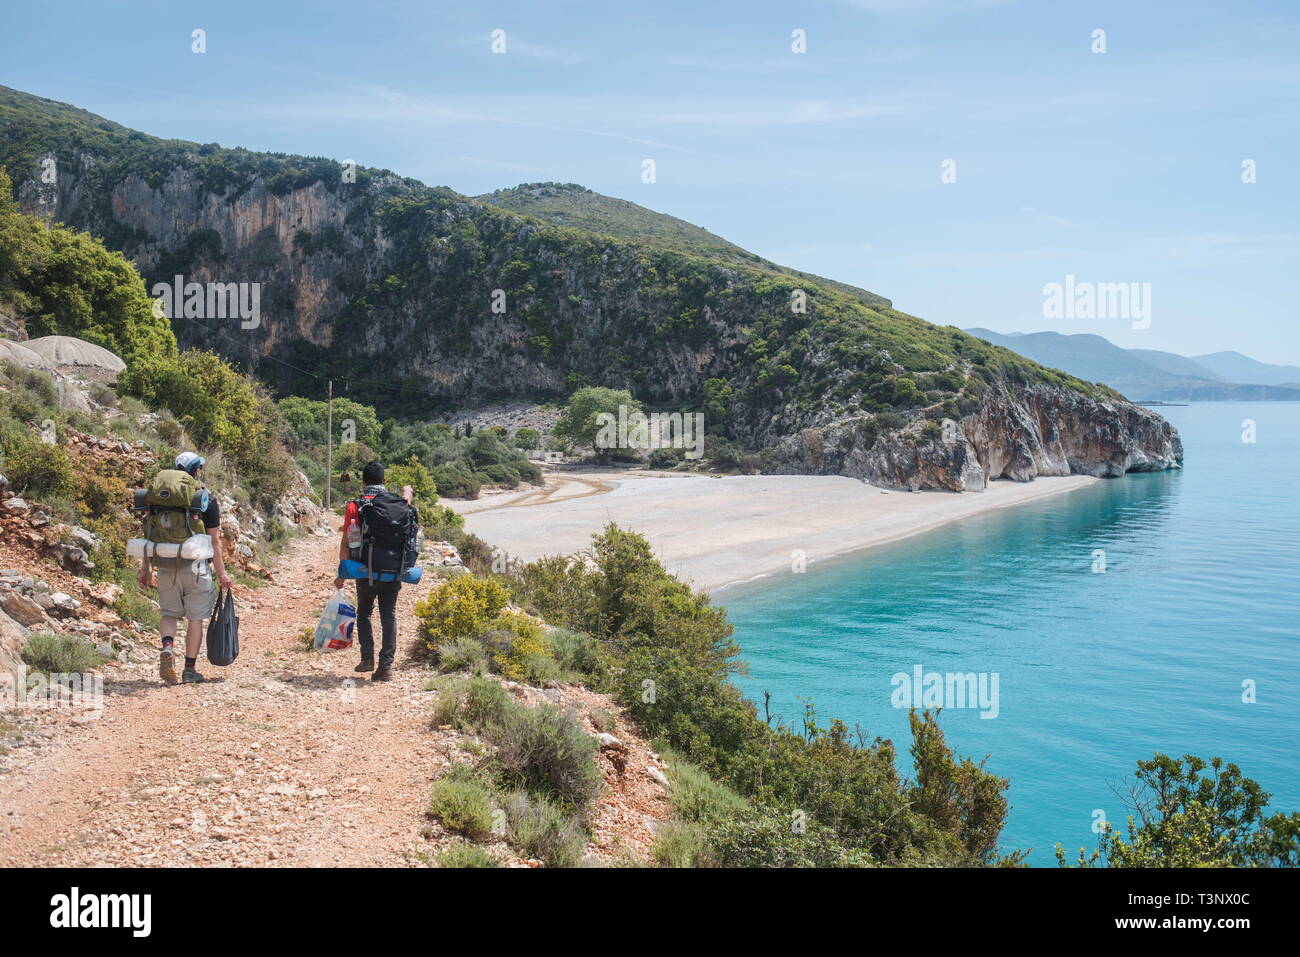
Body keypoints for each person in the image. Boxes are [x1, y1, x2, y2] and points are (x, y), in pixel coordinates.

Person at [138, 451, 232, 684]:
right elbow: (214, 541)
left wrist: (145, 568)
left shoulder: (158, 500)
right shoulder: (204, 500)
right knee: (195, 619)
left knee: (169, 613)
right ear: (196, 471)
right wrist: (222, 574)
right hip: (197, 567)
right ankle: (189, 670)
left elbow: (149, 534)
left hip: (166, 565)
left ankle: (168, 647)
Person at [334, 461, 414, 682]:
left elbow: (347, 541)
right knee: (388, 615)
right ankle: (386, 666)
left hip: (366, 570)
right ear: (384, 481)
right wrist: (408, 491)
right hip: (394, 570)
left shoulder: (356, 505)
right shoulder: (399, 503)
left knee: (365, 612)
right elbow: (408, 500)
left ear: (363, 480)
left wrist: (342, 573)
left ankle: (367, 658)